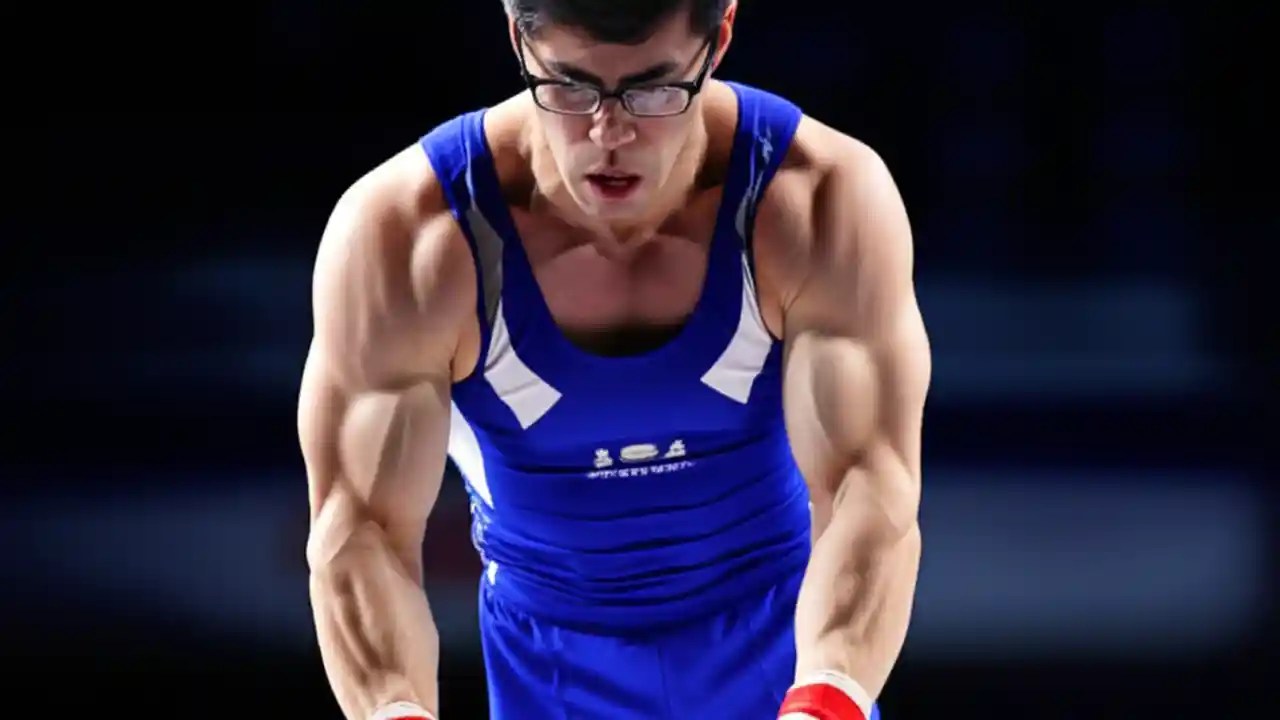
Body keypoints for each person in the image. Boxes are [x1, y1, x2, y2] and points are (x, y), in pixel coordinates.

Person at [298, 1, 930, 718]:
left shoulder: (816, 201)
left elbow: (869, 491)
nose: (610, 133)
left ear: (718, 38)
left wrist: (826, 701)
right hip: (553, 680)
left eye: (654, 89)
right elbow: (362, 534)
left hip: (786, 649)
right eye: (570, 87)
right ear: (519, 39)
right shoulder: (411, 237)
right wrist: (394, 708)